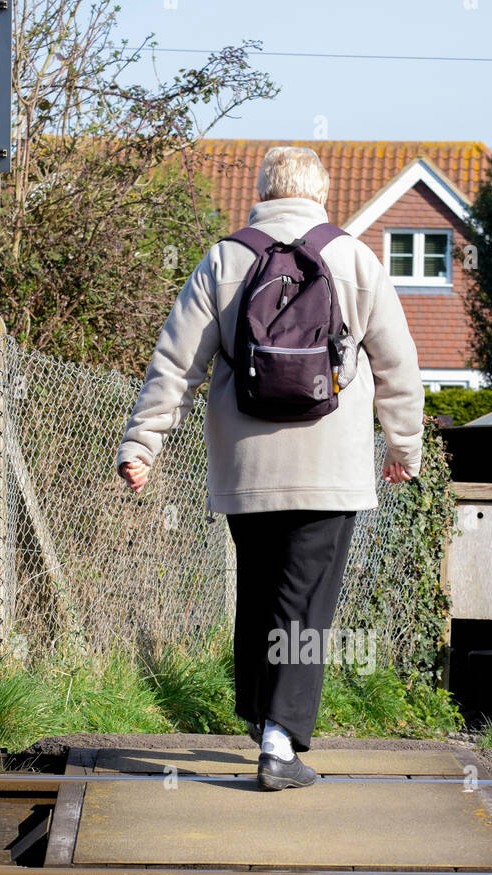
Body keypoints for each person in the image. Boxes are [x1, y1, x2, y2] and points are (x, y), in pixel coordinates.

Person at [117, 145, 424, 789]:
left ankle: (260, 717)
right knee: (304, 606)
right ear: (321, 193)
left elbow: (176, 364)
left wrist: (143, 443)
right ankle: (280, 747)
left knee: (260, 592)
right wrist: (404, 448)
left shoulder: (225, 258)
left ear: (261, 189)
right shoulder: (353, 257)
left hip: (245, 470)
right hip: (331, 469)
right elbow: (398, 366)